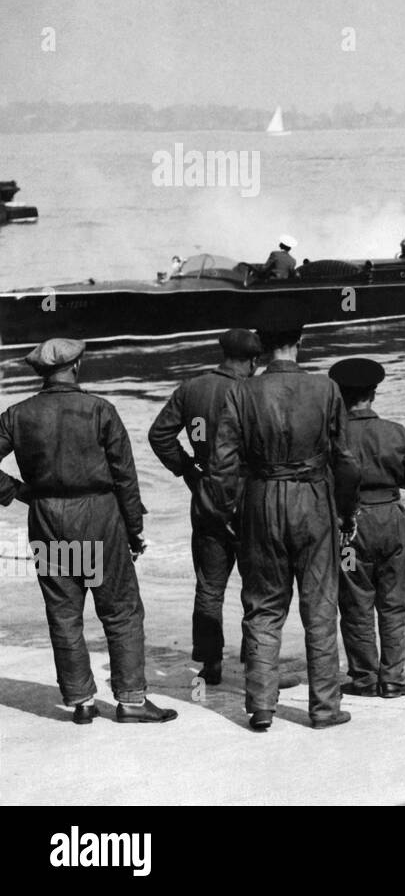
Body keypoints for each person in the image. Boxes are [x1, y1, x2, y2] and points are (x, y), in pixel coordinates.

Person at [0, 339, 177, 725]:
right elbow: (125, 477)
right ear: (76, 367)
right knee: (120, 609)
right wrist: (135, 530)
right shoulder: (101, 410)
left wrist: (16, 491)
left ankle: (81, 701)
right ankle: (131, 700)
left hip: (47, 518)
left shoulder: (17, 414)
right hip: (98, 516)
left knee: (64, 612)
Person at [209, 301, 361, 731]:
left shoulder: (241, 390)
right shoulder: (326, 389)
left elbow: (222, 466)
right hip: (313, 501)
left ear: (261, 345)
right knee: (319, 607)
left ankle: (260, 707)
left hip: (260, 500)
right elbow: (347, 462)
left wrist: (226, 512)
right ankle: (325, 709)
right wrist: (346, 512)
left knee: (263, 607)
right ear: (301, 340)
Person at [147, 328, 263, 687]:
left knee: (210, 587)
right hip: (250, 497)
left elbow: (159, 435)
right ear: (254, 360)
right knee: (256, 587)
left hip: (206, 496)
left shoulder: (191, 388)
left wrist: (188, 469)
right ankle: (255, 664)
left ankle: (210, 664)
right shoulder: (254, 391)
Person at [328, 358, 405, 699]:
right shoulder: (395, 432)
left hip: (349, 527)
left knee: (355, 601)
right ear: (374, 392)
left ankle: (364, 678)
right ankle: (393, 679)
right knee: (394, 602)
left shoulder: (331, 436)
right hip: (392, 521)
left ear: (340, 395)